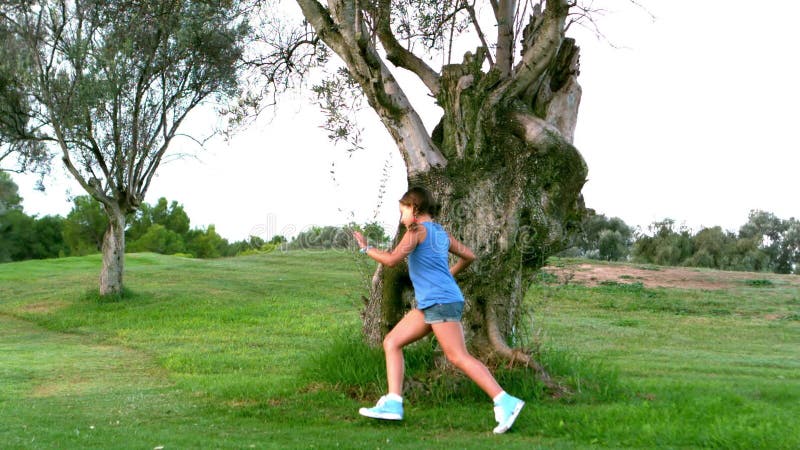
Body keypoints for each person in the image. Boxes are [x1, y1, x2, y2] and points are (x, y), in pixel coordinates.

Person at [352, 186, 525, 434]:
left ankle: (505, 401)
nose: (402, 219)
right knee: (392, 342)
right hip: (432, 302)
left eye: (403, 212)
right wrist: (447, 276)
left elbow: (391, 260)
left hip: (439, 301)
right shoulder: (441, 233)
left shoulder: (416, 231)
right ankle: (393, 403)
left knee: (457, 356)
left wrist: (366, 248)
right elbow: (469, 255)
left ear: (414, 208)